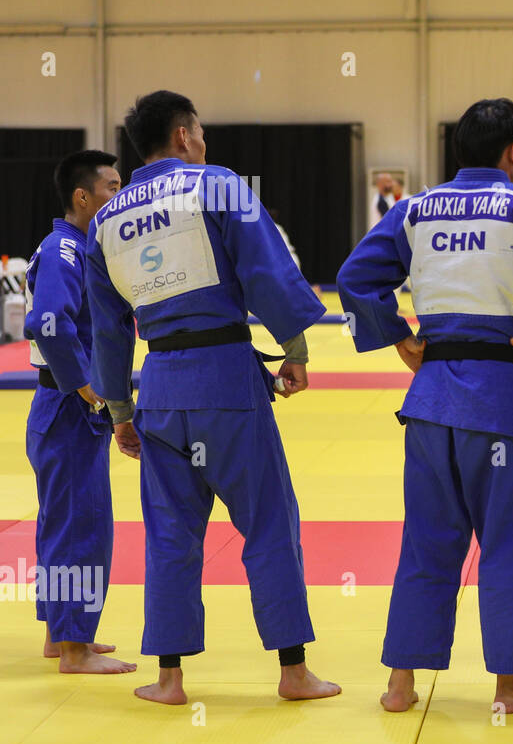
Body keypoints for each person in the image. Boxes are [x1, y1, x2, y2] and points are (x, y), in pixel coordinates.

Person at [337, 98, 513, 714]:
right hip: (502, 402)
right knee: (509, 543)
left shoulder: (414, 210)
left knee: (427, 542)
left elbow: (355, 277)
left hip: (431, 401)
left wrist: (398, 334)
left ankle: (400, 685)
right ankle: (509, 688)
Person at [86, 90, 339, 706]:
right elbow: (267, 271)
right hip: (226, 377)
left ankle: (169, 679)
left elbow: (108, 329)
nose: (203, 144)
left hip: (161, 386)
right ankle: (293, 672)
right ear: (182, 135)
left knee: (170, 533)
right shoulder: (216, 185)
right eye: (199, 133)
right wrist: (296, 348)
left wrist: (120, 409)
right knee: (268, 522)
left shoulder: (105, 221)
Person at [23, 149, 134, 675]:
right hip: (68, 409)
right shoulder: (65, 249)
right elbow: (48, 323)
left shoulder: (79, 249)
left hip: (61, 411)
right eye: (112, 187)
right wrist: (91, 391)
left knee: (62, 523)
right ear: (81, 197)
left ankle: (58, 633)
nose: (121, 194)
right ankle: (74, 648)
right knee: (81, 527)